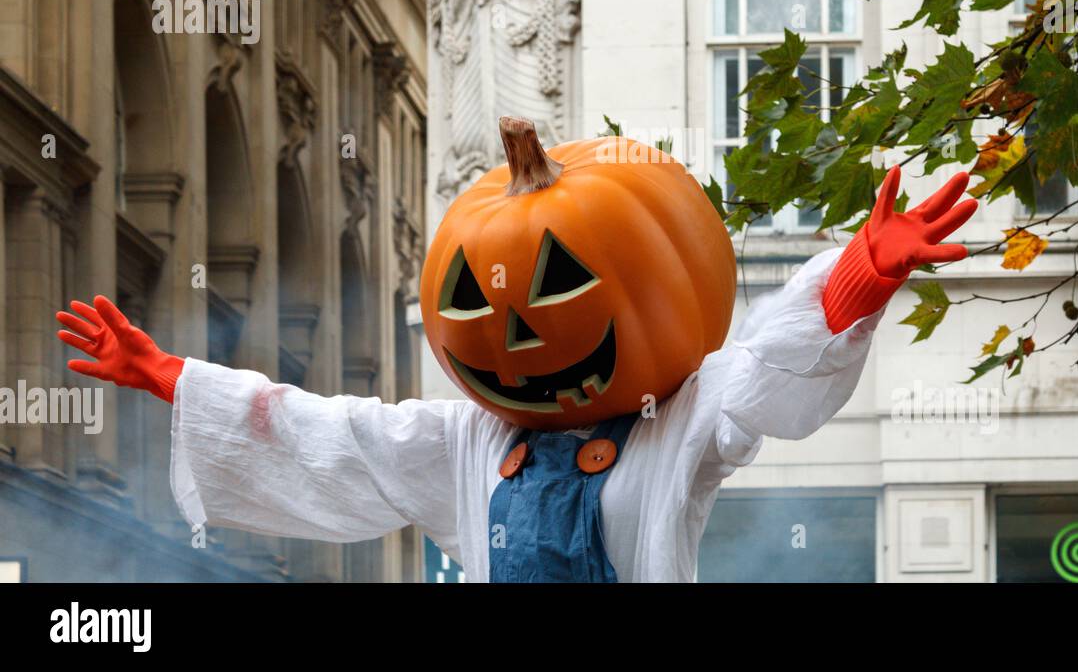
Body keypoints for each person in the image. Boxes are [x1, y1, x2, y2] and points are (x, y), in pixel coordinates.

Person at [57, 118, 975, 582]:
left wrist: (860, 275)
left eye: (559, 287)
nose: (519, 334)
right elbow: (328, 434)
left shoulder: (680, 422)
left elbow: (767, 377)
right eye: (477, 300)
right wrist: (169, 376)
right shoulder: (471, 445)